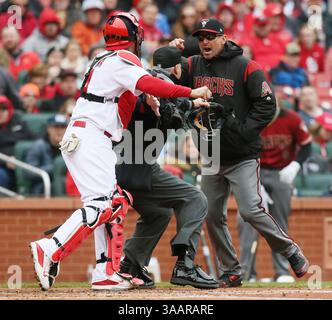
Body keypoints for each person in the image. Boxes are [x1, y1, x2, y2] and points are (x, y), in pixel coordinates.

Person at [29, 12, 211, 292]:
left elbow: (136, 91)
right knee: (104, 204)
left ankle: (105, 272)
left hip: (89, 136)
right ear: (135, 37)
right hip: (91, 136)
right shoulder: (124, 59)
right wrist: (190, 93)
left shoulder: (103, 60)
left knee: (114, 202)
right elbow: (147, 83)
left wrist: (153, 99)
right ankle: (50, 248)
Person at [170, 18, 310, 287]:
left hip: (242, 156)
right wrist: (172, 52)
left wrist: (243, 130)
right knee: (209, 213)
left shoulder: (246, 67)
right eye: (200, 38)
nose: (205, 42)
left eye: (210, 37)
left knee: (250, 209)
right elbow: (169, 79)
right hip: (211, 157)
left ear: (224, 38)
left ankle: (290, 250)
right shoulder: (192, 64)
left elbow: (267, 105)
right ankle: (231, 270)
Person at [116, 46, 218, 289]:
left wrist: (191, 106)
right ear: (177, 68)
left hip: (124, 166)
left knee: (159, 214)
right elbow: (171, 114)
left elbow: (168, 108)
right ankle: (186, 266)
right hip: (137, 166)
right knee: (196, 199)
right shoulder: (157, 83)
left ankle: (130, 265)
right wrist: (195, 107)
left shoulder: (146, 80)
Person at [238, 103, 312, 282]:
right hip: (254, 169)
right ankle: (248, 273)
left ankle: (282, 271)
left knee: (279, 220)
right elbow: (241, 149)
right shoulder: (251, 117)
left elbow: (306, 145)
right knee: (246, 220)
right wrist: (255, 183)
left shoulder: (292, 118)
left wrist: (296, 165)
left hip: (282, 172)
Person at [24, 114, 67, 195]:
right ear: (49, 129)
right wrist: (55, 169)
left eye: (62, 127)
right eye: (56, 127)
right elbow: (28, 172)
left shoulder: (70, 147)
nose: (59, 131)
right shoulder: (38, 146)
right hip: (43, 187)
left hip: (64, 185)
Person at [0, 95, 33, 190]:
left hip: (22, 163)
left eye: (4, 108)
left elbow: (33, 140)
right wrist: (5, 161)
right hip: (3, 167)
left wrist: (18, 157)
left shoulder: (18, 123)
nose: (1, 112)